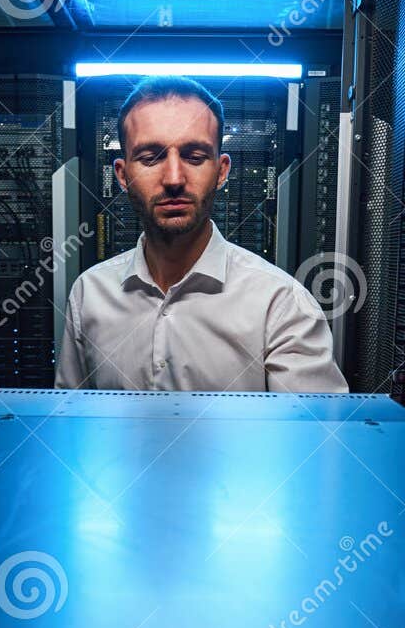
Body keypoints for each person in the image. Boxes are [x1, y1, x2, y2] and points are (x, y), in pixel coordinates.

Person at [54, 76, 348, 393]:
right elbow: (69, 423)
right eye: (150, 157)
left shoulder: (281, 304)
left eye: (194, 156)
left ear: (221, 171)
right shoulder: (89, 294)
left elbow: (310, 438)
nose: (174, 178)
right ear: (123, 176)